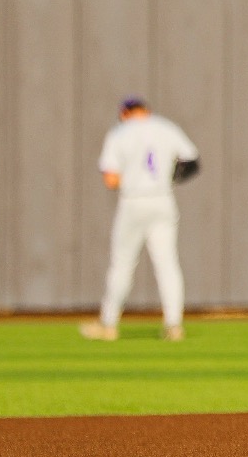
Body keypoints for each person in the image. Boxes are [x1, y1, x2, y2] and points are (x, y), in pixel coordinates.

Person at [79, 97, 201, 343]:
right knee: (167, 263)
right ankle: (174, 325)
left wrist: (134, 181)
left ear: (125, 113)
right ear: (147, 111)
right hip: (163, 199)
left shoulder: (119, 133)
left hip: (133, 200)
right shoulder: (166, 127)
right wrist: (169, 178)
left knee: (122, 264)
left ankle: (108, 324)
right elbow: (192, 160)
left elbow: (111, 179)